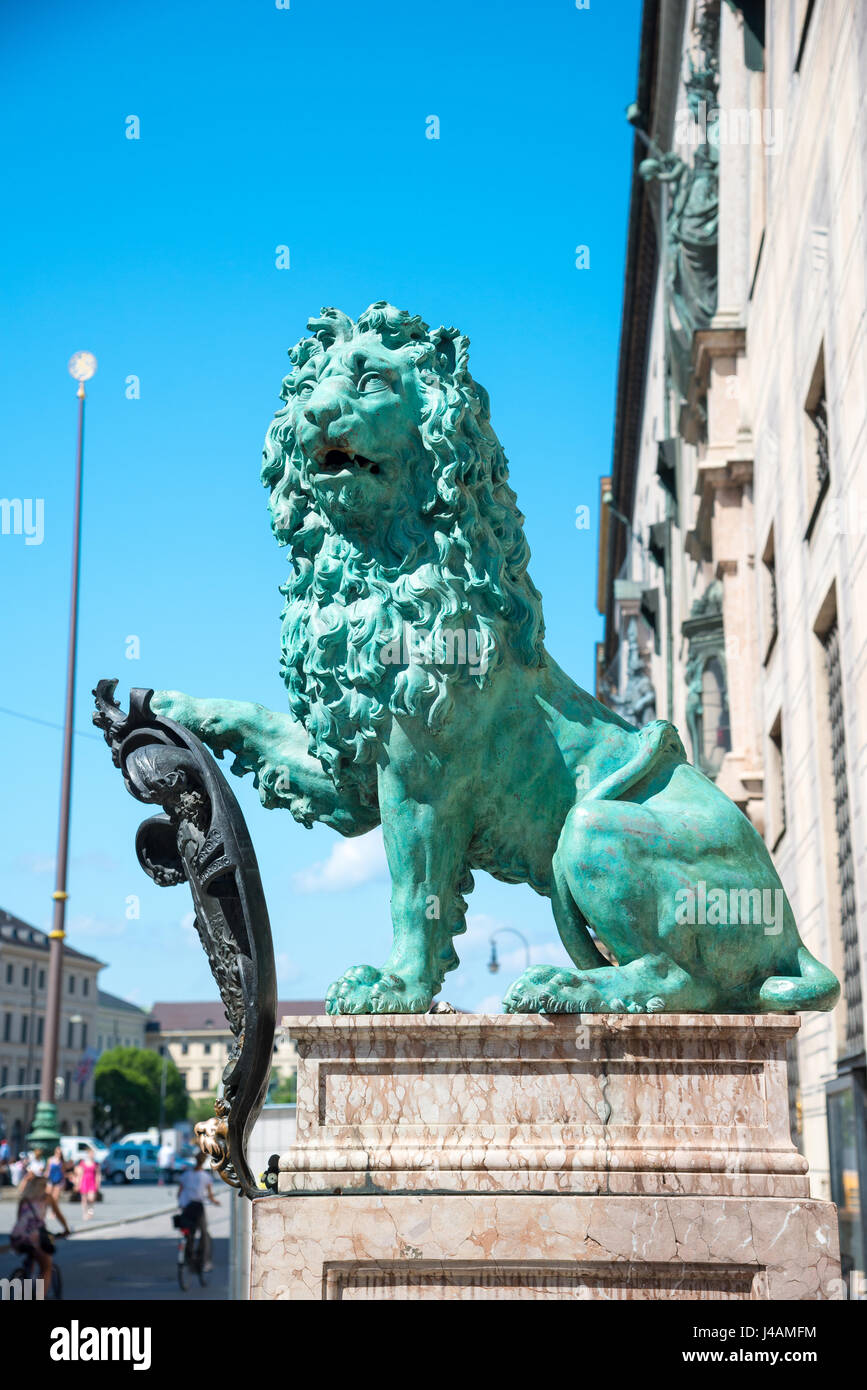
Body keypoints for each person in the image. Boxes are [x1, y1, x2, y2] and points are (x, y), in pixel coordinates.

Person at [9, 1175, 70, 1291]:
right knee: (46, 1266)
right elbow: (59, 1215)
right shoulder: (46, 1198)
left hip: (18, 1236)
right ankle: (39, 1296)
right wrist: (66, 1229)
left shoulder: (24, 1199)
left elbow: (19, 1219)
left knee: (31, 1258)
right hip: (34, 1236)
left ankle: (25, 1283)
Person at [175, 1152, 220, 1272]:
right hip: (198, 1207)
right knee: (204, 1234)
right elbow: (210, 1196)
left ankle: (188, 1258)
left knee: (189, 1232)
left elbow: (179, 1192)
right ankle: (204, 1261)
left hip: (186, 1207)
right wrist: (216, 1202)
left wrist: (180, 1204)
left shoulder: (186, 1175)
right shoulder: (206, 1177)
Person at [75, 1146, 100, 1220]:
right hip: (84, 1181)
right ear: (88, 1154)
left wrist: (98, 1183)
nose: (92, 1155)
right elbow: (80, 1174)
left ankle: (90, 1212)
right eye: (91, 1154)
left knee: (91, 1198)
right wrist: (78, 1183)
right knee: (84, 1199)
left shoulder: (96, 1164)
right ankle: (85, 1213)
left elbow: (98, 1174)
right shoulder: (83, 1163)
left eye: (93, 1154)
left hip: (92, 1181)